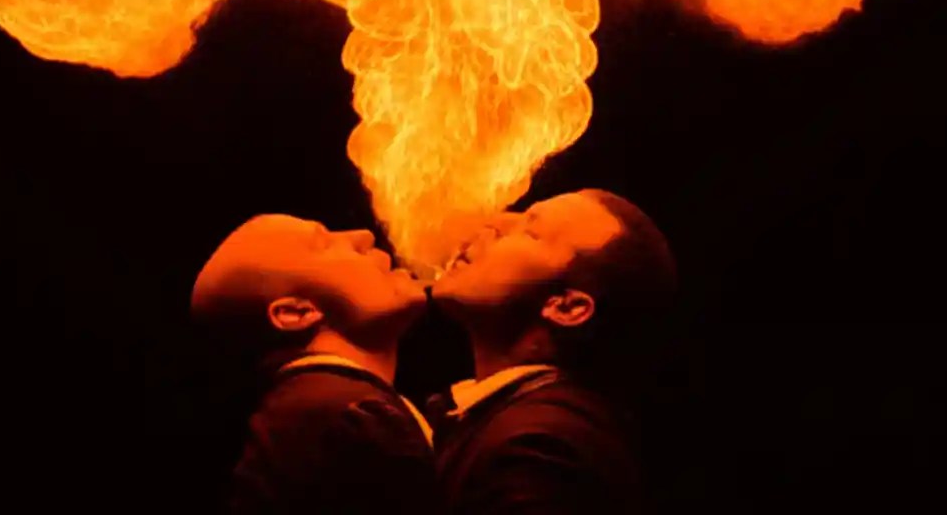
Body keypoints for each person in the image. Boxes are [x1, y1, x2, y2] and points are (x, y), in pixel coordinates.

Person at [428, 189, 678, 514]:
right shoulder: (497, 419)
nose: (495, 223)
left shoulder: (540, 450)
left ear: (566, 307)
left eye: (531, 232)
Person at [191, 213, 435, 514]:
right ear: (296, 313)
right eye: (324, 244)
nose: (363, 235)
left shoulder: (312, 413)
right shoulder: (347, 420)